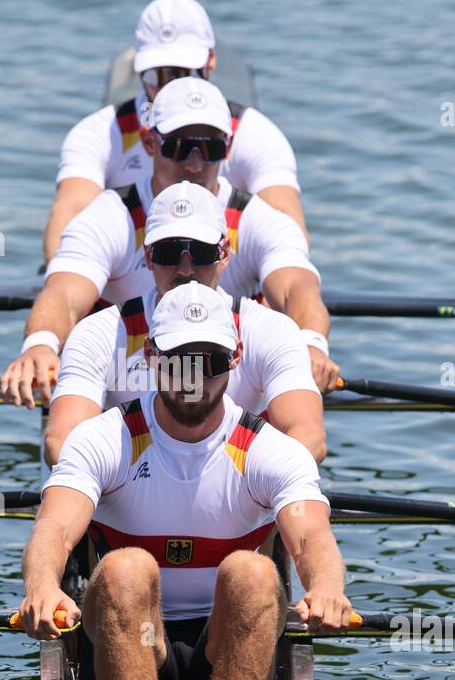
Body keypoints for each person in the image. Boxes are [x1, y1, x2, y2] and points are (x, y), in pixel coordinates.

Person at [19, 283, 350, 680]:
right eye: (178, 360)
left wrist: (326, 587)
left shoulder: (267, 451)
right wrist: (43, 586)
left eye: (209, 361)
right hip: (125, 650)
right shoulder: (105, 439)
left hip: (227, 653)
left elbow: (312, 537)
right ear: (151, 355)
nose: (193, 376)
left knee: (254, 574)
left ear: (235, 358)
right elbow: (54, 527)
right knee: (124, 569)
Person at [1, 77, 339, 408]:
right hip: (124, 398)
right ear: (149, 143)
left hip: (226, 401)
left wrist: (310, 345)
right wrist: (41, 344)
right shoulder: (111, 216)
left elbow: (299, 287)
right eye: (178, 146)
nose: (194, 163)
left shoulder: (258, 219)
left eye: (210, 148)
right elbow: (64, 292)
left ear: (229, 146)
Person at [43, 181, 326, 468]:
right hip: (128, 490)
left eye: (201, 253)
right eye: (169, 252)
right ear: (149, 256)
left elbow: (308, 435)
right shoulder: (99, 333)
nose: (186, 270)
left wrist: (244, 487)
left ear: (224, 254)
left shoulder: (270, 331)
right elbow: (61, 441)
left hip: (238, 496)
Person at [43, 0, 308, 260]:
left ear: (211, 62)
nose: (171, 87)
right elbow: (70, 215)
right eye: (158, 74)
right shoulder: (99, 133)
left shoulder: (256, 134)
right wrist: (66, 277)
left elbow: (287, 225)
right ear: (138, 70)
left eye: (182, 72)